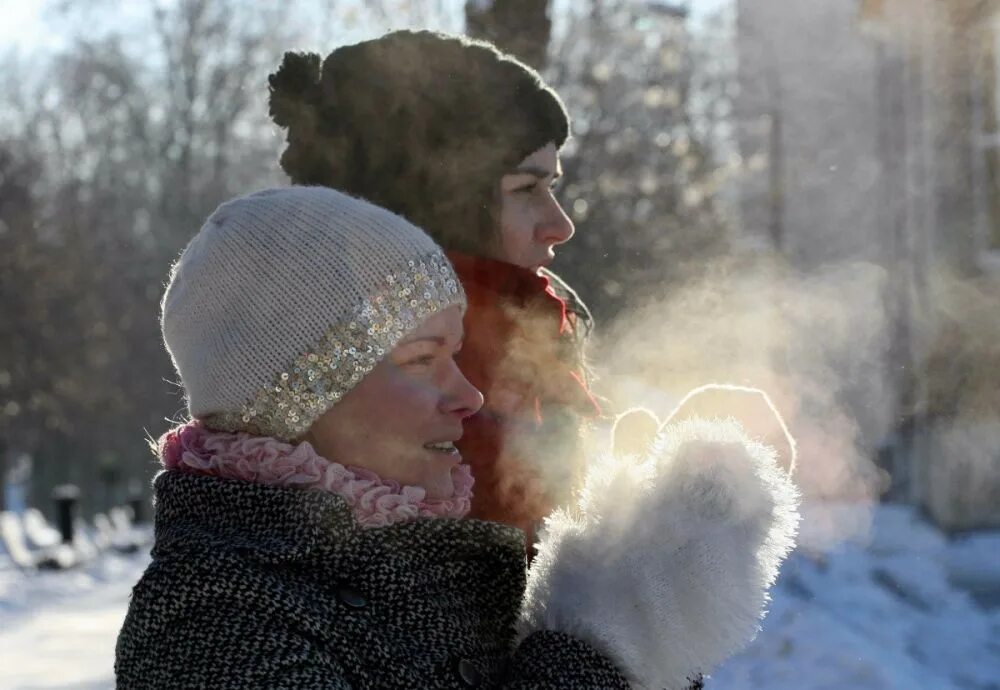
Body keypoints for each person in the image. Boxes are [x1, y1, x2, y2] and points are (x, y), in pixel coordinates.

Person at [115, 186, 800, 689]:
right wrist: (605, 637)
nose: (467, 395)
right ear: (297, 392)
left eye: (457, 354)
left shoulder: (450, 564)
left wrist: (647, 565)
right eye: (422, 359)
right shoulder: (214, 625)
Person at [268, 31, 598, 535]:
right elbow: (495, 600)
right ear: (445, 201)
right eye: (526, 189)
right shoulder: (417, 387)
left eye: (551, 187)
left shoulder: (510, 340)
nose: (560, 225)